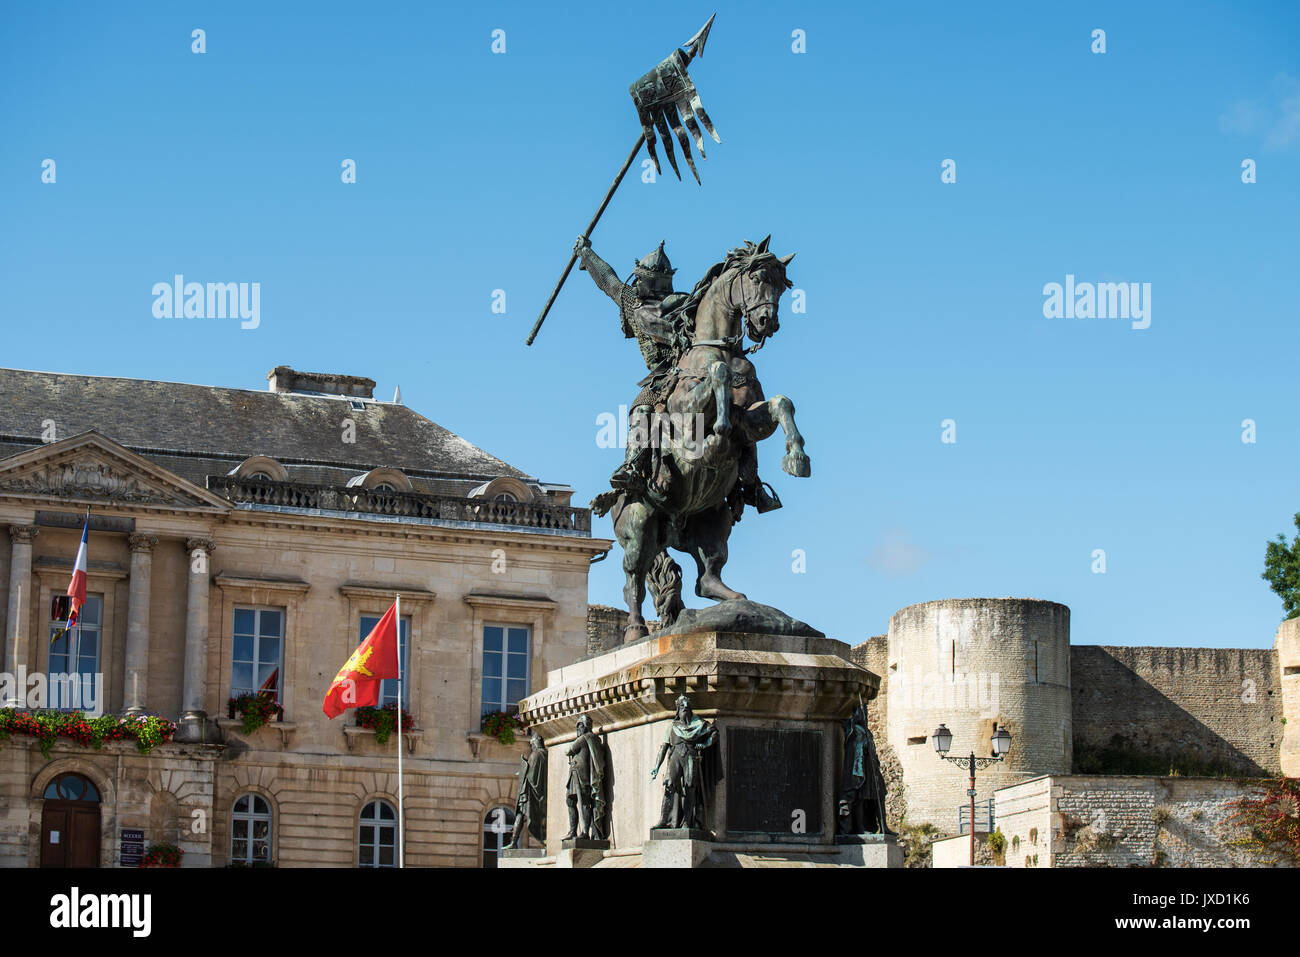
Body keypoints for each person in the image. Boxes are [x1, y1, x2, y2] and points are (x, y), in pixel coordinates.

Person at [649, 695, 717, 830]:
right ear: (678, 710)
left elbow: (714, 733)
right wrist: (656, 767)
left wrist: (705, 744)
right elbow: (664, 747)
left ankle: (687, 821)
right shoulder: (672, 727)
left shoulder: (699, 724)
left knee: (690, 788)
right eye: (681, 707)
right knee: (669, 786)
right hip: (675, 756)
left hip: (691, 756)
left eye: (686, 707)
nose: (684, 710)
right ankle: (663, 820)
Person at [562, 714, 607, 840]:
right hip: (575, 775)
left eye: (579, 726)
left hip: (582, 777)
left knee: (584, 803)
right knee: (572, 801)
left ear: (584, 726)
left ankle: (585, 832)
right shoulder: (593, 739)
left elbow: (568, 750)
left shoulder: (584, 738)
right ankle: (573, 831)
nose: (578, 729)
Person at [505, 731, 547, 849]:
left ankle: (513, 842)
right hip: (541, 793)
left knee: (520, 814)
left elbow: (531, 776)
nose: (531, 746)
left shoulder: (535, 755)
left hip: (529, 793)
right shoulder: (546, 754)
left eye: (532, 744)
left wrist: (523, 774)